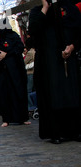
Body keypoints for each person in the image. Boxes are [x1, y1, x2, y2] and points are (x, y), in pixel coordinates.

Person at [28, 0, 81, 143]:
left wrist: (72, 46)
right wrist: (45, 8)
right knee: (53, 96)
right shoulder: (37, 11)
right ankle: (55, 133)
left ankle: (74, 131)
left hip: (69, 58)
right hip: (48, 61)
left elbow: (78, 30)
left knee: (72, 94)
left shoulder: (69, 9)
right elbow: (33, 30)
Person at [0, 18, 31, 127]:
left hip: (16, 71)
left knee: (19, 92)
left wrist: (7, 53)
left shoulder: (14, 36)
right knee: (5, 94)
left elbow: (20, 48)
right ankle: (6, 119)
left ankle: (23, 117)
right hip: (3, 72)